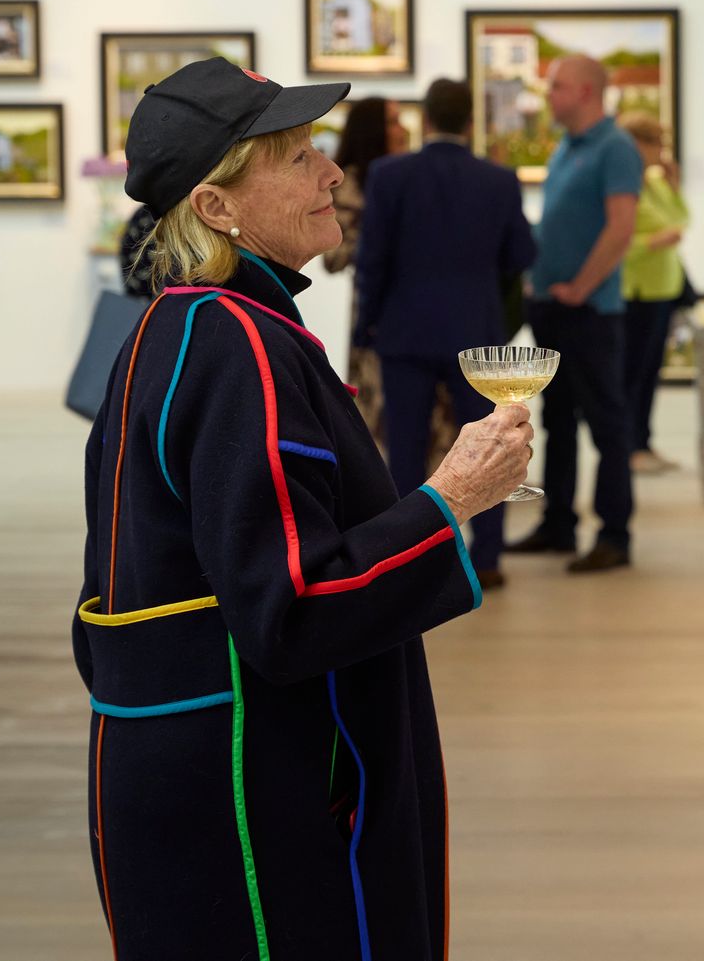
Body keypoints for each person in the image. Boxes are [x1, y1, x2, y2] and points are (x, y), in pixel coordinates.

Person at [75, 57, 532, 959]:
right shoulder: (240, 345)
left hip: (186, 768)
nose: (332, 173)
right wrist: (453, 498)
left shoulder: (182, 326)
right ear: (216, 207)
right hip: (256, 792)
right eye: (295, 156)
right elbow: (295, 607)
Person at [356, 78, 536, 589]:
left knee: (407, 450)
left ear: (426, 120)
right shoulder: (498, 180)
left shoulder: (389, 175)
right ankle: (489, 557)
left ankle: (408, 557)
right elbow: (522, 255)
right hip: (476, 332)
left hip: (405, 328)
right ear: (470, 123)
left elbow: (374, 261)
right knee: (494, 445)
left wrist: (365, 325)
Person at [508, 55, 643, 573]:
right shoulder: (567, 145)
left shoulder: (615, 148)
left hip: (589, 311)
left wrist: (581, 286)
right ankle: (558, 524)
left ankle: (614, 535)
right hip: (552, 306)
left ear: (587, 92)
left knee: (607, 424)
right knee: (557, 419)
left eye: (557, 86)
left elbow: (621, 228)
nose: (549, 95)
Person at [321, 97, 410, 453]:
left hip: (421, 319)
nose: (402, 129)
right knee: (376, 426)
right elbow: (333, 259)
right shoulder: (349, 183)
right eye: (393, 121)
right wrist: (379, 238)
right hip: (377, 318)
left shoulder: (411, 175)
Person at [617, 113, 690, 473]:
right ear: (637, 146)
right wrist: (653, 241)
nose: (660, 152)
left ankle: (644, 442)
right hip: (638, 291)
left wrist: (674, 184)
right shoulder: (625, 186)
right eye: (656, 144)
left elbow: (683, 218)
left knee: (650, 372)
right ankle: (630, 447)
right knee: (633, 372)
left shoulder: (656, 184)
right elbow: (618, 242)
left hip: (664, 288)